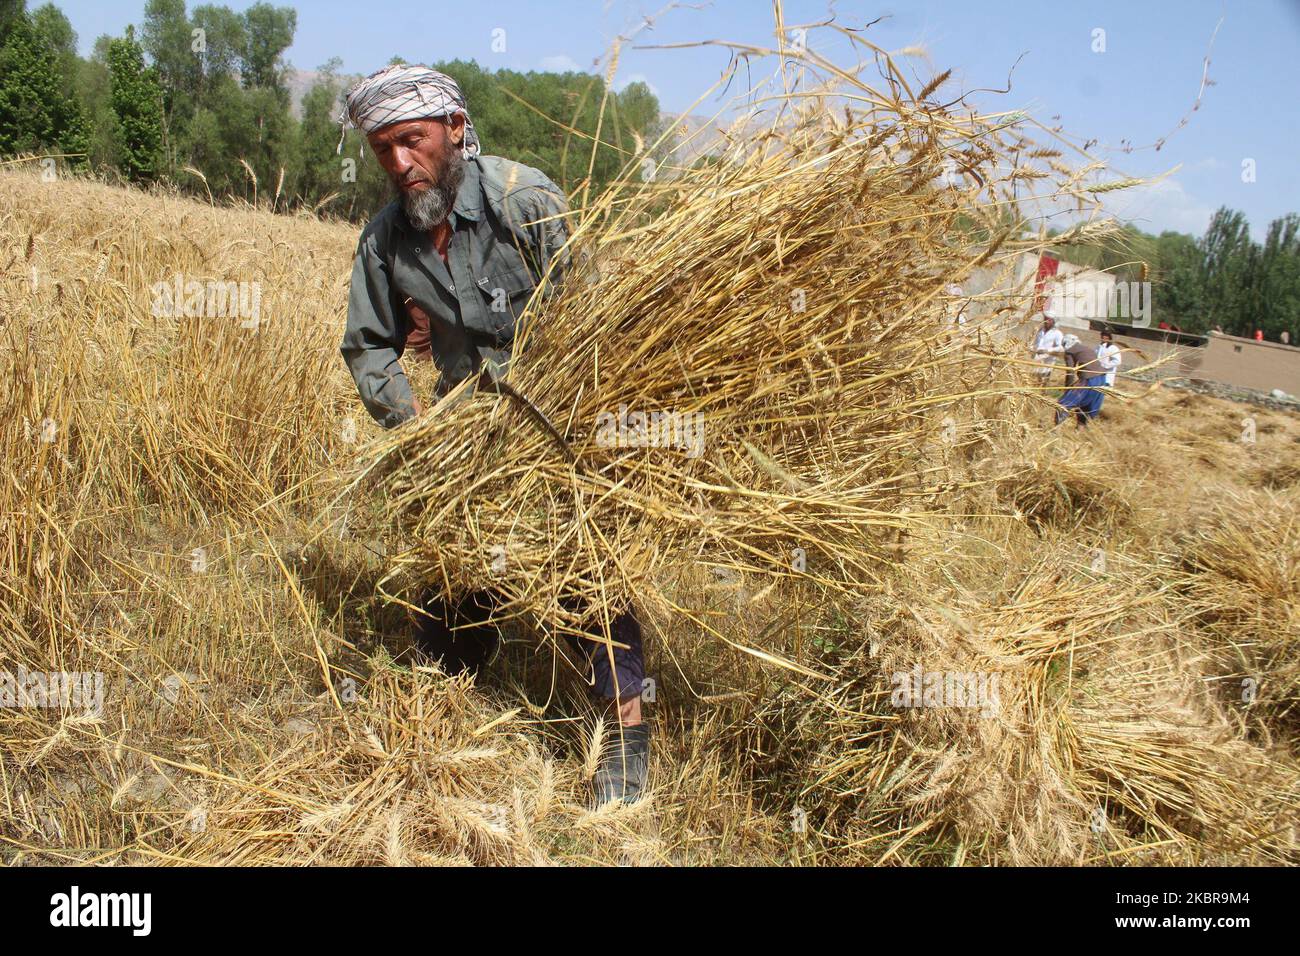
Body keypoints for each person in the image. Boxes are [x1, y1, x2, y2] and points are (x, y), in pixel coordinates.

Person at [338, 65, 648, 805]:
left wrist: (580, 425)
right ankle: (451, 699)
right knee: (449, 568)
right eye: (383, 150)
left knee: (585, 576)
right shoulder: (386, 241)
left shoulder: (523, 199)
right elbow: (367, 344)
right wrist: (413, 426)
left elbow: (593, 322)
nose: (400, 164)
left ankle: (626, 735)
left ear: (452, 128)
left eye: (411, 141)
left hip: (553, 426)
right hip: (460, 436)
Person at [1054, 334, 1107, 426]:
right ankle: (1081, 429)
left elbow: (1070, 371)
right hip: (1102, 379)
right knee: (1087, 406)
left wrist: (1068, 389)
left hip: (1089, 379)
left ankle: (1054, 430)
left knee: (1064, 403)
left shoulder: (1069, 352)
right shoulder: (1087, 348)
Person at [1030, 312, 1064, 385]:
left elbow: (1060, 347)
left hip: (1048, 359)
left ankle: (1042, 392)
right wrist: (1032, 348)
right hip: (1036, 358)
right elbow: (1035, 342)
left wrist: (1047, 351)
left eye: (1049, 320)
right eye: (1045, 319)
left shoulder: (1057, 333)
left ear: (1053, 321)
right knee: (1033, 377)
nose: (1046, 321)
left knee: (1043, 377)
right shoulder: (1040, 330)